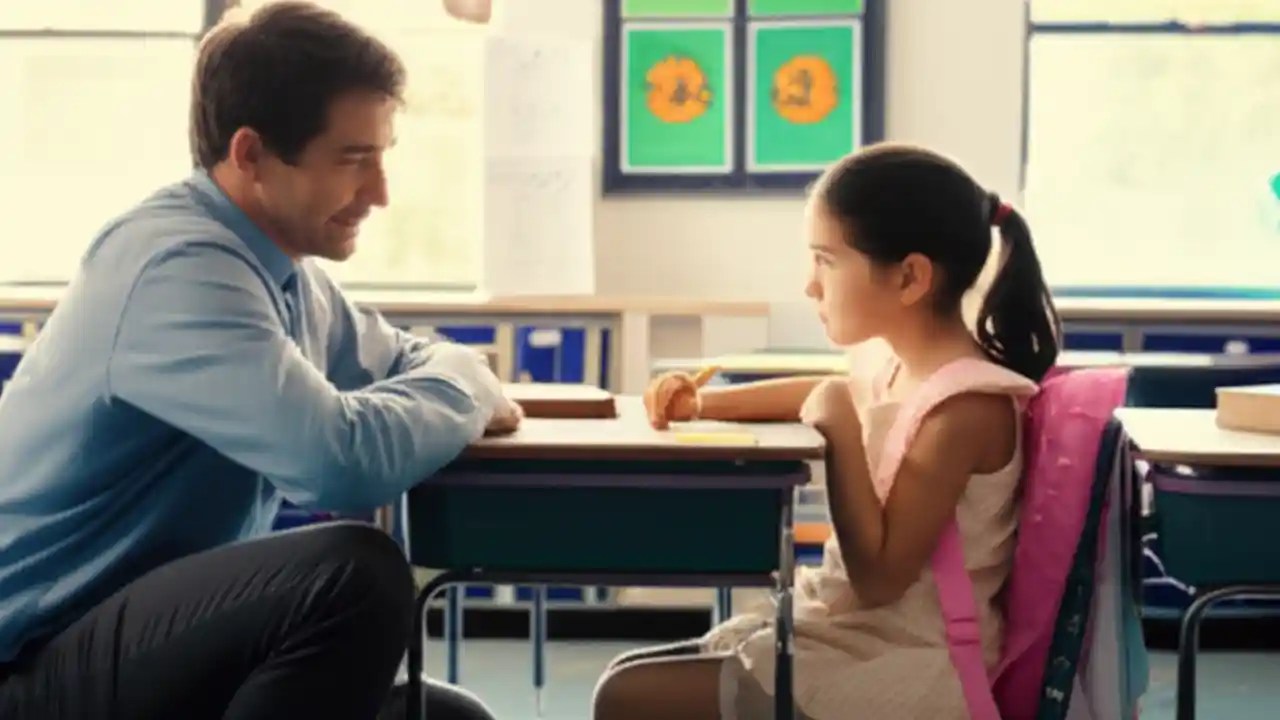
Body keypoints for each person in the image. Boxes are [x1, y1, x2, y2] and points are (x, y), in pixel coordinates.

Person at [0, 3, 518, 718]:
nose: (380, 193)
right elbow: (337, 460)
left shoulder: (280, 273)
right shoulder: (178, 266)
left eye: (381, 157)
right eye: (353, 159)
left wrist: (456, 373)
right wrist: (469, 384)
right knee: (352, 576)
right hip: (29, 659)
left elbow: (400, 357)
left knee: (448, 718)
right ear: (250, 155)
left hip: (131, 636)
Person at [599, 143, 1062, 720]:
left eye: (826, 260)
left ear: (910, 277)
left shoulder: (964, 409)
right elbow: (821, 391)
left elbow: (880, 579)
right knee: (628, 676)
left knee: (624, 697)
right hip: (857, 634)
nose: (810, 285)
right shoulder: (901, 367)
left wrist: (841, 430)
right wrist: (701, 403)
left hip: (911, 665)